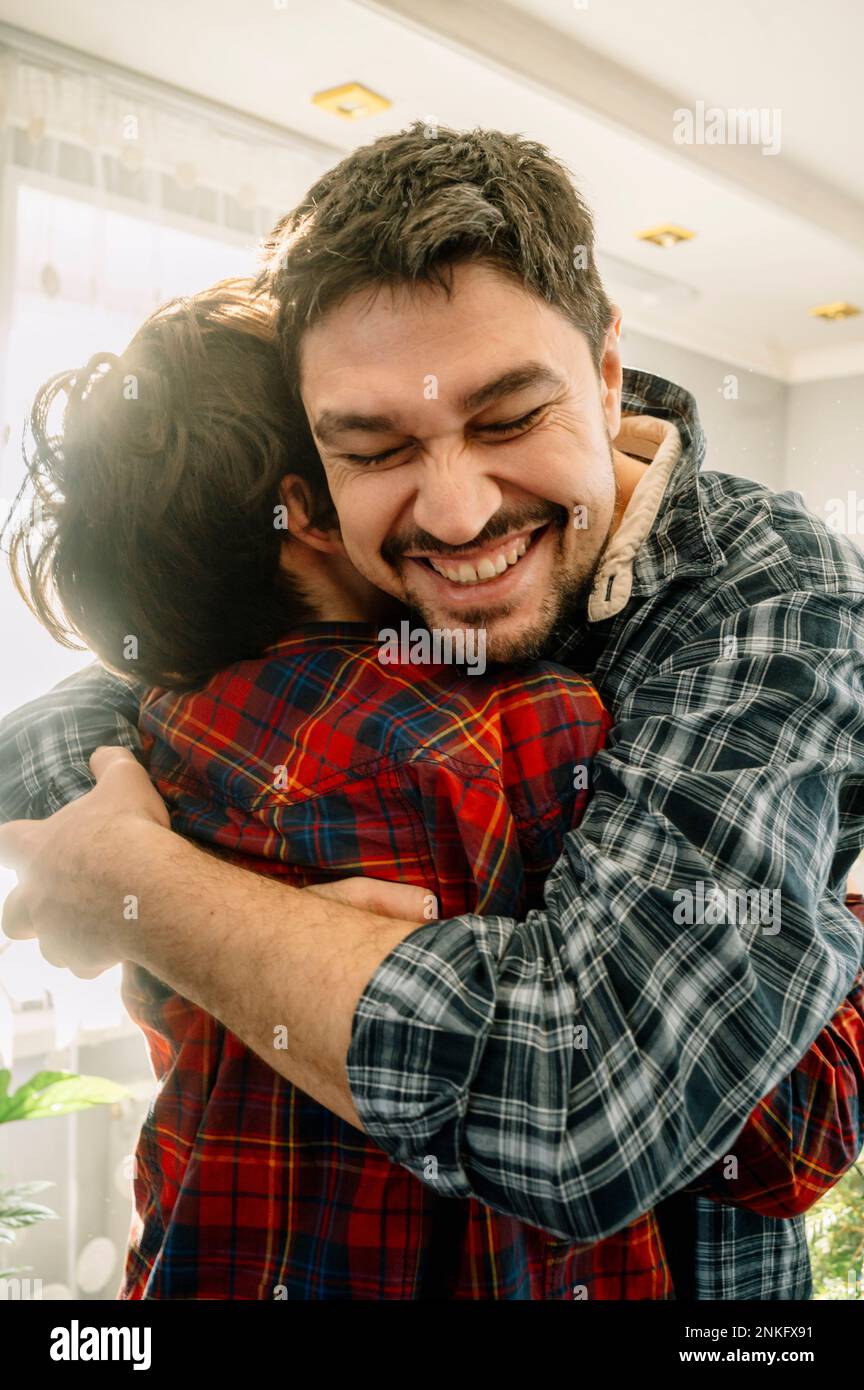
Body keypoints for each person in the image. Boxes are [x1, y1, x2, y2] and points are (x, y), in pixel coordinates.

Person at [2, 125, 864, 1300]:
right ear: (306, 485)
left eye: (510, 418)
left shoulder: (767, 586)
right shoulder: (333, 667)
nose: (456, 516)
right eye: (374, 447)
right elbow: (56, 736)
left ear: (608, 373)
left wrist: (159, 897)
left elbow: (592, 1105)